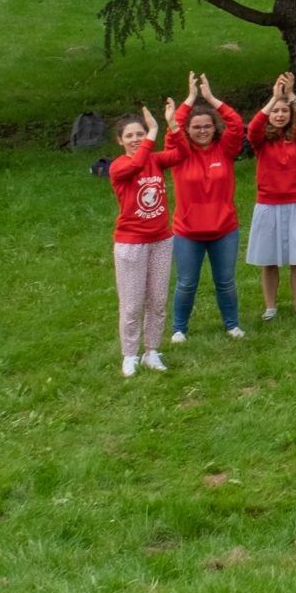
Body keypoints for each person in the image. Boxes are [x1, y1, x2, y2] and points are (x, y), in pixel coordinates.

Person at [161, 73, 247, 343]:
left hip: (224, 230)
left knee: (226, 281)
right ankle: (179, 329)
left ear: (214, 127)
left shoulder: (226, 149)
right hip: (188, 232)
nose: (202, 130)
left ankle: (232, 325)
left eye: (207, 126)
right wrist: (189, 99)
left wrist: (210, 98)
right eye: (196, 127)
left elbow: (236, 124)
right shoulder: (180, 153)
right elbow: (172, 128)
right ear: (187, 130)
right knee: (186, 283)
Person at [245, 73, 296, 323]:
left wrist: (290, 96)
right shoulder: (261, 141)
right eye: (275, 111)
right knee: (269, 260)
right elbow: (253, 128)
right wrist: (274, 98)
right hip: (268, 204)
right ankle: (270, 308)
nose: (279, 115)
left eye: (284, 111)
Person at [109, 105, 173, 377]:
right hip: (131, 243)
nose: (136, 139)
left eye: (140, 133)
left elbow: (181, 153)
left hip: (161, 240)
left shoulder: (154, 160)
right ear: (120, 141)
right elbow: (136, 164)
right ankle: (130, 355)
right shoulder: (119, 166)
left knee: (157, 300)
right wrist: (153, 131)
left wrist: (173, 125)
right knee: (132, 303)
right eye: (130, 135)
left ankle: (151, 352)